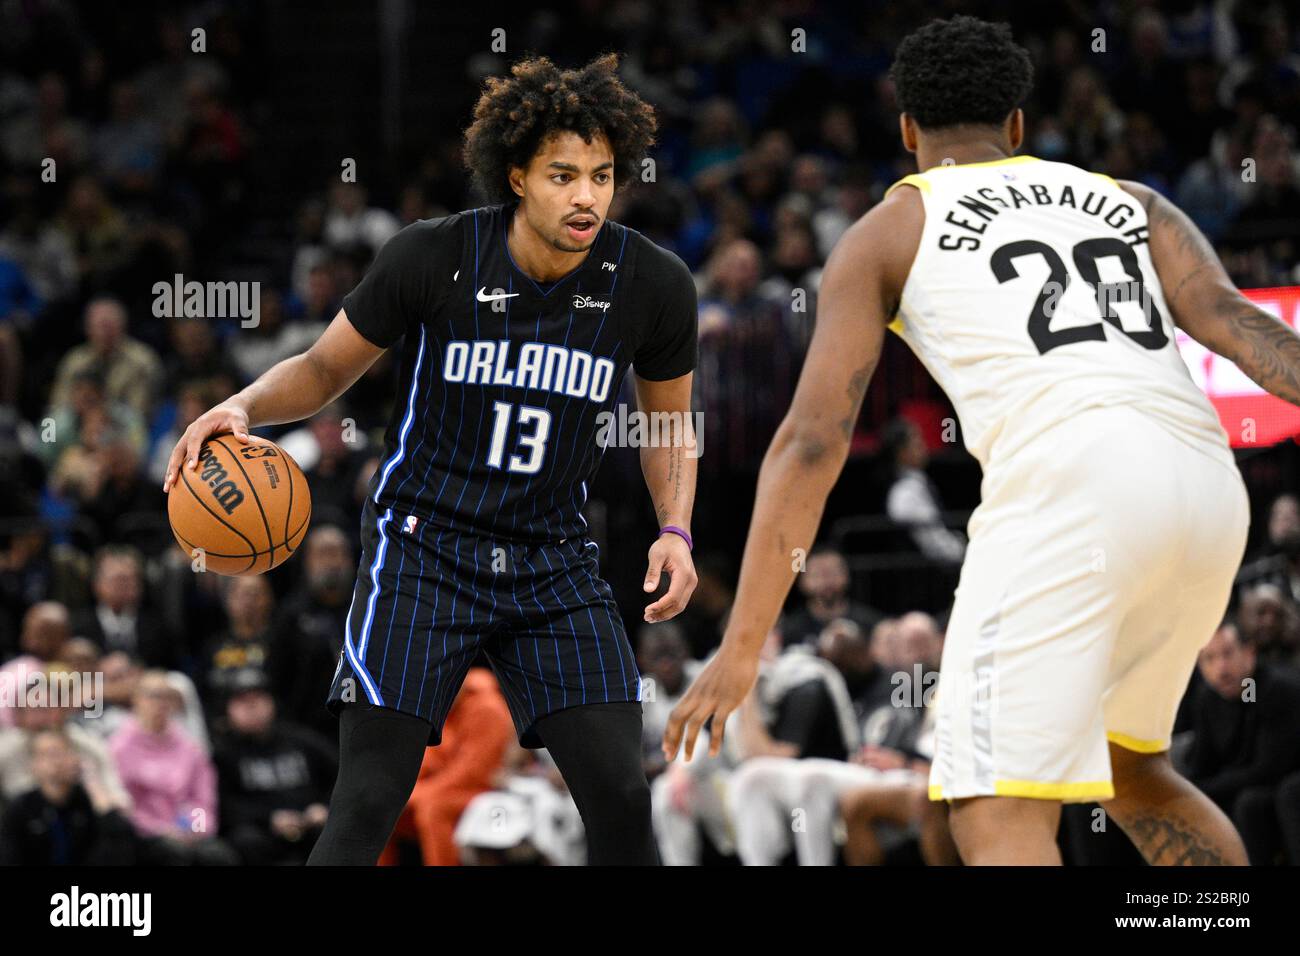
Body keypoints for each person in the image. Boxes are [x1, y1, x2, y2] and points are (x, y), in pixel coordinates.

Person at [666, 14, 1300, 866]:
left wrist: (741, 650)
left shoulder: (890, 229)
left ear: (906, 131)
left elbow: (811, 444)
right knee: (1133, 768)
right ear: (1017, 128)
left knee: (991, 805)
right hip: (1205, 486)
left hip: (1075, 491)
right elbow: (1232, 322)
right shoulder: (1131, 199)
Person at [164, 54, 699, 866]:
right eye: (563, 174)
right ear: (516, 176)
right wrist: (241, 406)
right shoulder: (433, 255)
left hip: (551, 558)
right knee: (369, 797)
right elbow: (320, 370)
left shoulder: (653, 284)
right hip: (425, 546)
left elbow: (668, 429)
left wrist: (676, 529)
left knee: (624, 796)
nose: (587, 194)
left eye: (602, 174)